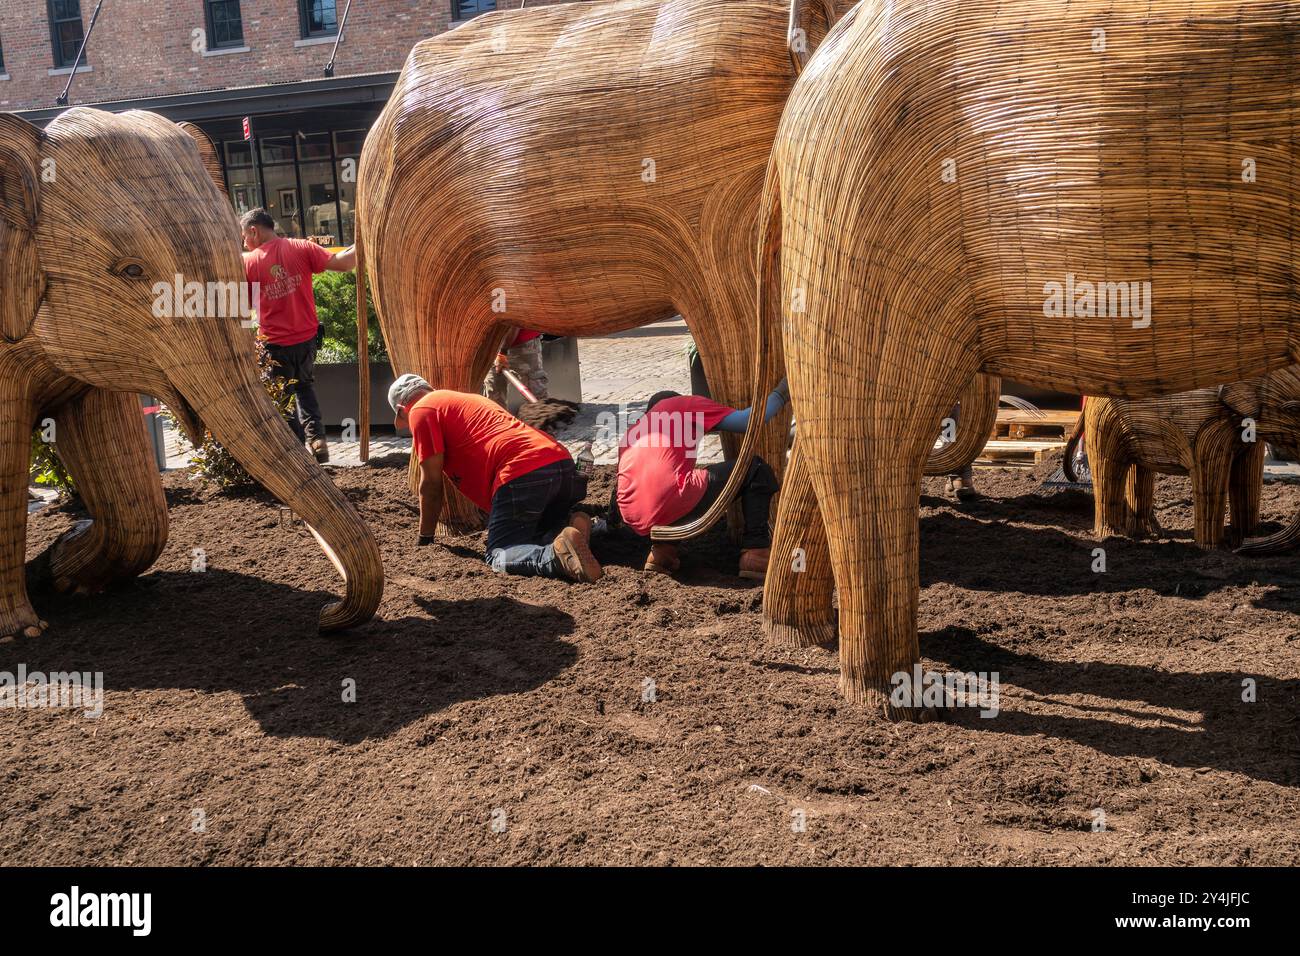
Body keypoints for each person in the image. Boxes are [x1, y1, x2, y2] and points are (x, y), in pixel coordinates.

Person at [388, 374, 601, 583]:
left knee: (499, 554)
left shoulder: (420, 411)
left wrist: (425, 537)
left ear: (400, 410)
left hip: (522, 475)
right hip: (560, 465)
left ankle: (554, 558)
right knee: (535, 533)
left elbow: (431, 483)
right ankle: (567, 528)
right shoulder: (464, 399)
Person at [612, 382, 789, 578]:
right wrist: (783, 391)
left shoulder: (635, 431)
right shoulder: (683, 405)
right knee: (756, 469)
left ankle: (662, 554)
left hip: (632, 515)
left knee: (672, 485)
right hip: (669, 498)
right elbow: (748, 421)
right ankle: (757, 553)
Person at [241, 208, 356, 463]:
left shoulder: (248, 263)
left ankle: (297, 456)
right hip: (306, 340)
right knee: (305, 387)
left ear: (254, 231)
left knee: (282, 400)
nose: (245, 243)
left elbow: (242, 307)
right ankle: (318, 440)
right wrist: (366, 241)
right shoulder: (302, 247)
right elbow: (346, 263)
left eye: (245, 238)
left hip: (274, 345)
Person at [484, 328, 549, 406]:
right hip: (494, 344)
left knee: (536, 397)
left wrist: (502, 353)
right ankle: (498, 417)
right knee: (493, 397)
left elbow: (512, 323)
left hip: (523, 344)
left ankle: (543, 416)